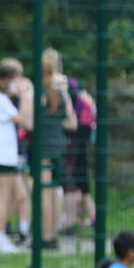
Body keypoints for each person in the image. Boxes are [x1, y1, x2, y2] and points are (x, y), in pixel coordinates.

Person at [0, 58, 33, 254]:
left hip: (5, 155)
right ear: (7, 79)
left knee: (14, 195)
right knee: (3, 197)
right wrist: (26, 96)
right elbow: (24, 121)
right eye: (17, 77)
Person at [35, 49, 77, 251]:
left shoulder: (40, 90)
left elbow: (33, 119)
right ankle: (52, 236)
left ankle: (45, 236)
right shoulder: (62, 90)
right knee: (54, 191)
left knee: (44, 192)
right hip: (59, 145)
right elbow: (72, 123)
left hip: (43, 145)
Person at [62, 75, 96, 235]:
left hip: (74, 147)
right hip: (79, 146)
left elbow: (78, 125)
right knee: (81, 187)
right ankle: (84, 218)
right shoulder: (85, 99)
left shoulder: (79, 101)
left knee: (76, 187)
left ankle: (77, 221)